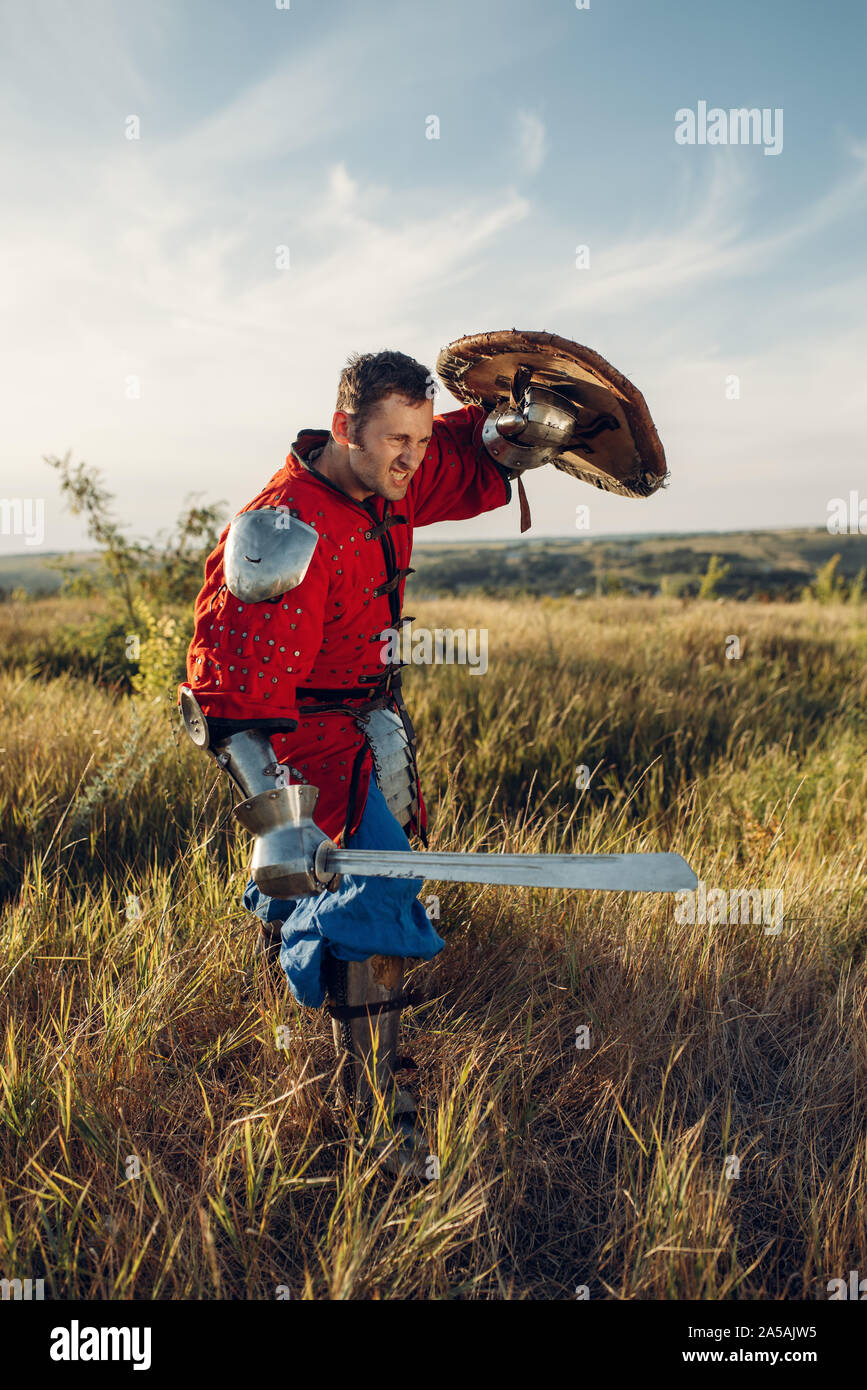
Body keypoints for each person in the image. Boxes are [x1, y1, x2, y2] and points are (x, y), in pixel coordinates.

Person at [183, 349, 517, 1170]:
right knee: (375, 883)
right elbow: (225, 703)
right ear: (344, 430)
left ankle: (291, 977)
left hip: (370, 724)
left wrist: (534, 424)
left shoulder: (387, 477)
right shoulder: (282, 531)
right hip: (299, 735)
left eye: (420, 437)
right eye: (395, 439)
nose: (413, 457)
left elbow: (476, 453)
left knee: (345, 883)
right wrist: (279, 822)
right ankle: (374, 1106)